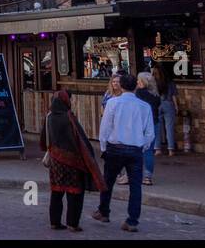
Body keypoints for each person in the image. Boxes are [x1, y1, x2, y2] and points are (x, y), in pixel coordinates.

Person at [92, 72, 153, 232]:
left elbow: (105, 128)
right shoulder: (144, 106)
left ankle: (104, 211)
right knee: (135, 187)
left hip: (115, 147)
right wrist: (142, 146)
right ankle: (132, 220)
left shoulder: (112, 103)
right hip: (135, 149)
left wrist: (103, 147)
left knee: (108, 182)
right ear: (135, 87)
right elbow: (150, 134)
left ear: (122, 86)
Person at [42, 89, 105, 231]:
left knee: (57, 192)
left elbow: (44, 139)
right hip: (72, 161)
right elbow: (79, 140)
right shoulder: (68, 117)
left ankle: (55, 222)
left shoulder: (49, 116)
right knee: (75, 193)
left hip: (55, 160)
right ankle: (72, 223)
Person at [135, 72, 161, 185]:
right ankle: (148, 176)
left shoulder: (140, 93)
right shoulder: (156, 95)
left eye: (139, 80)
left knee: (137, 150)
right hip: (154, 122)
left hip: (140, 124)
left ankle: (135, 174)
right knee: (149, 150)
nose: (137, 82)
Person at [154, 68, 177, 156]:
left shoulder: (153, 82)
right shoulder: (170, 82)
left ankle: (157, 149)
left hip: (157, 104)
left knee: (157, 127)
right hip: (168, 103)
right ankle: (171, 149)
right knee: (169, 127)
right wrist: (176, 106)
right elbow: (174, 95)